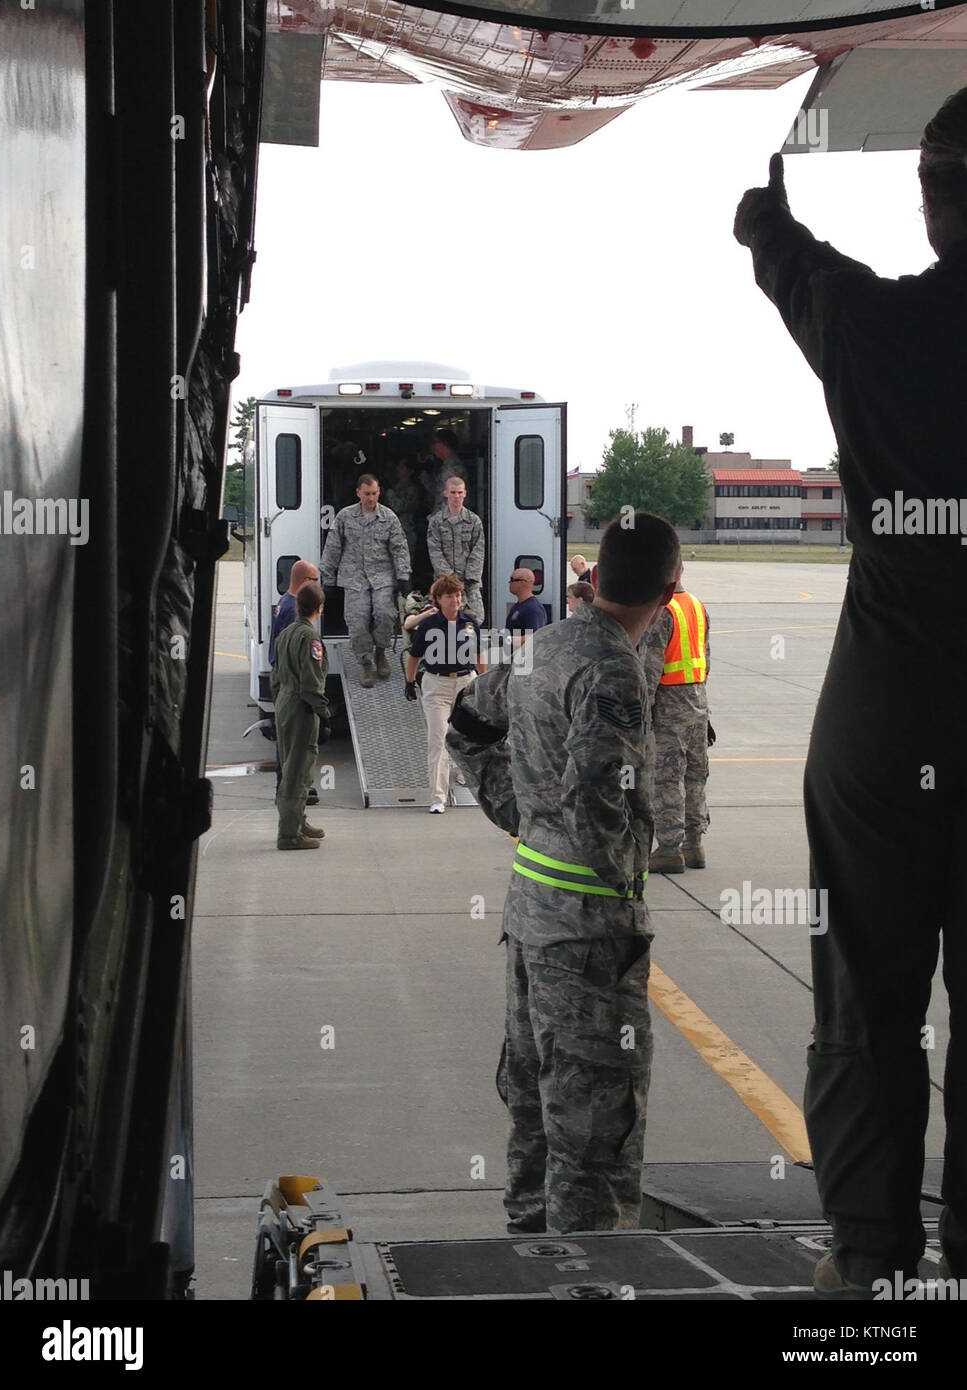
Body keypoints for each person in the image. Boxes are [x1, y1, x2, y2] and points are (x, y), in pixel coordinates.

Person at [734, 88, 967, 1297]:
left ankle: (868, 1253)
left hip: (893, 700)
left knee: (865, 985)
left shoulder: (875, 325)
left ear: (932, 203)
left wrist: (768, 219)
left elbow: (795, 268)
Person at [446, 512, 681, 1234]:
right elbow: (594, 794)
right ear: (671, 589)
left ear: (593, 578)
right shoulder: (611, 669)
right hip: (587, 934)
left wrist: (518, 812)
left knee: (533, 1104)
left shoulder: (542, 647)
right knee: (594, 1123)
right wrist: (616, 889)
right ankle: (587, 1273)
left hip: (531, 912)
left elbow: (465, 726)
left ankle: (524, 1249)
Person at [642, 575, 712, 873]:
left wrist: (641, 713)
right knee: (695, 776)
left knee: (667, 778)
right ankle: (694, 844)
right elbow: (705, 657)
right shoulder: (697, 606)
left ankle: (669, 848)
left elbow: (650, 669)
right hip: (697, 701)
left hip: (668, 705)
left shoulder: (663, 611)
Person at [319, 474, 412, 688]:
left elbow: (399, 547)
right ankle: (365, 662)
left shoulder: (388, 517)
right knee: (357, 620)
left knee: (385, 614)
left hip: (382, 576)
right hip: (354, 578)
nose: (371, 498)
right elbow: (333, 547)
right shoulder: (345, 517)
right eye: (367, 494)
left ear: (379, 492)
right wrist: (328, 579)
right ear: (358, 493)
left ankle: (380, 652)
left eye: (375, 493)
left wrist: (403, 576)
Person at [405, 574, 486, 813]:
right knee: (438, 740)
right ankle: (438, 797)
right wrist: (410, 682)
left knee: (465, 736)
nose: (456, 599)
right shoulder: (429, 625)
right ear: (438, 599)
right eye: (450, 595)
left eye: (459, 595)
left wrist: (483, 681)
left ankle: (465, 779)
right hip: (437, 684)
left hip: (465, 681)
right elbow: (414, 655)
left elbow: (479, 654)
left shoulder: (469, 623)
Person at [271, 581, 330, 851]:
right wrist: (323, 712)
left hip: (284, 703)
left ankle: (297, 822)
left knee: (290, 766)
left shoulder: (285, 635)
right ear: (319, 608)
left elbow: (275, 677)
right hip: (301, 707)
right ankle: (289, 835)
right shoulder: (310, 638)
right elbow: (311, 682)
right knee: (298, 769)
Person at [269, 558, 320, 806]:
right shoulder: (293, 611)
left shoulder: (286, 603)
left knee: (287, 738)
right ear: (304, 581)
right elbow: (294, 654)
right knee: (293, 742)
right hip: (291, 683)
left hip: (283, 680)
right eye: (315, 581)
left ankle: (291, 788)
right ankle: (289, 790)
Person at [427, 476, 486, 623]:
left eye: (460, 492)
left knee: (476, 618)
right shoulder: (436, 521)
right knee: (444, 619)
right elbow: (435, 551)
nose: (456, 496)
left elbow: (478, 550)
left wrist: (469, 577)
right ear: (445, 493)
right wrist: (450, 578)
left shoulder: (474, 521)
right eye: (453, 492)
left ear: (465, 493)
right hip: (444, 581)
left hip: (470, 581)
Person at [504, 568, 547, 646]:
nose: (509, 582)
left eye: (512, 579)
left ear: (523, 582)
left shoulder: (534, 609)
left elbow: (532, 638)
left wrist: (505, 640)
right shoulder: (518, 606)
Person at [431, 428, 468, 510]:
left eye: (435, 443)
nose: (433, 446)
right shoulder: (448, 465)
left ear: (444, 444)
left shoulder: (451, 469)